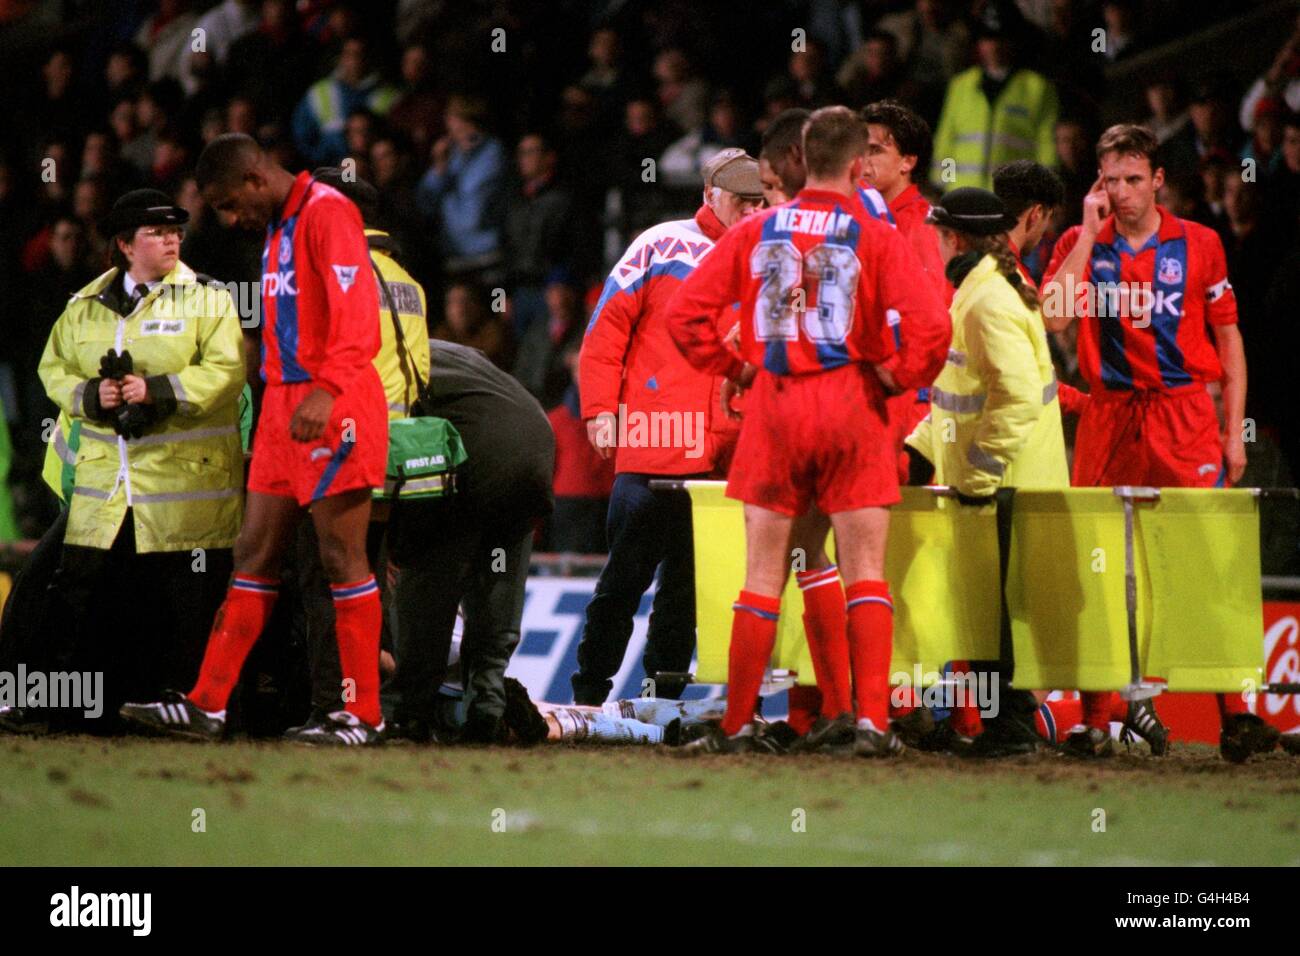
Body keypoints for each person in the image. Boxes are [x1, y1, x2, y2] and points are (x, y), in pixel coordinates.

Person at [667, 106, 950, 755]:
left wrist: (736, 369)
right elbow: (934, 328)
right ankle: (872, 723)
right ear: (856, 165)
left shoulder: (755, 230)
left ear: (798, 160)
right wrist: (894, 377)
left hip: (774, 404)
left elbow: (686, 318)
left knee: (765, 572)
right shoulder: (875, 234)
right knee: (866, 570)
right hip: (851, 401)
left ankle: (737, 726)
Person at [119, 134, 390, 746]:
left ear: (253, 179)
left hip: (334, 399)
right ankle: (208, 703)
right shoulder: (275, 229)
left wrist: (324, 391)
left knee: (340, 556)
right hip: (282, 408)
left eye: (226, 204)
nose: (227, 219)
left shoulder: (326, 211)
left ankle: (365, 714)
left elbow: (358, 317)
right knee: (253, 552)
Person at [1042, 124, 1277, 762]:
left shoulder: (1199, 243)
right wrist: (1087, 232)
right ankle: (1095, 723)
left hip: (1183, 418)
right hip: (1111, 417)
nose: (1120, 193)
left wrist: (1233, 430)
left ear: (1158, 180)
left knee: (1202, 564)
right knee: (1100, 569)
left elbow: (1229, 339)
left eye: (1132, 180)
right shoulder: (1080, 241)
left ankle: (1236, 717)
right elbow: (1054, 318)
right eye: (1110, 180)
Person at [12, 189, 245, 732]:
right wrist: (94, 397)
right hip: (107, 493)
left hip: (183, 493)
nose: (172, 241)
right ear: (123, 244)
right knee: (85, 603)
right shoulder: (83, 305)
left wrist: (155, 390)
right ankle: (70, 711)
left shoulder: (208, 299)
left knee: (176, 607)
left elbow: (227, 371)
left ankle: (173, 707)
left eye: (175, 232)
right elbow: (54, 370)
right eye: (156, 233)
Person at [567, 148, 763, 706]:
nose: (751, 211)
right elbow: (606, 332)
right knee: (623, 581)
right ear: (709, 195)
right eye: (740, 200)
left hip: (727, 450)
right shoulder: (660, 244)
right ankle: (588, 694)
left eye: (759, 201)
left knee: (687, 589)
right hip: (656, 442)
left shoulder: (770, 256)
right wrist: (600, 409)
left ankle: (664, 700)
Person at [386, 339, 554, 744]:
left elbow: (392, 446)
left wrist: (395, 542)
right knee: (498, 584)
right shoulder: (450, 352)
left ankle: (409, 716)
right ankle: (487, 712)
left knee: (427, 590)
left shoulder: (382, 364)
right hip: (536, 448)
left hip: (478, 456)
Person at [930, 1, 1058, 190]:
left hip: (1012, 199)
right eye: (987, 38)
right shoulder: (961, 85)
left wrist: (1045, 192)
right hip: (963, 195)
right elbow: (947, 139)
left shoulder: (1037, 87)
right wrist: (943, 184)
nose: (994, 46)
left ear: (1014, 41)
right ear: (979, 43)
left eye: (1001, 38)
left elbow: (1046, 143)